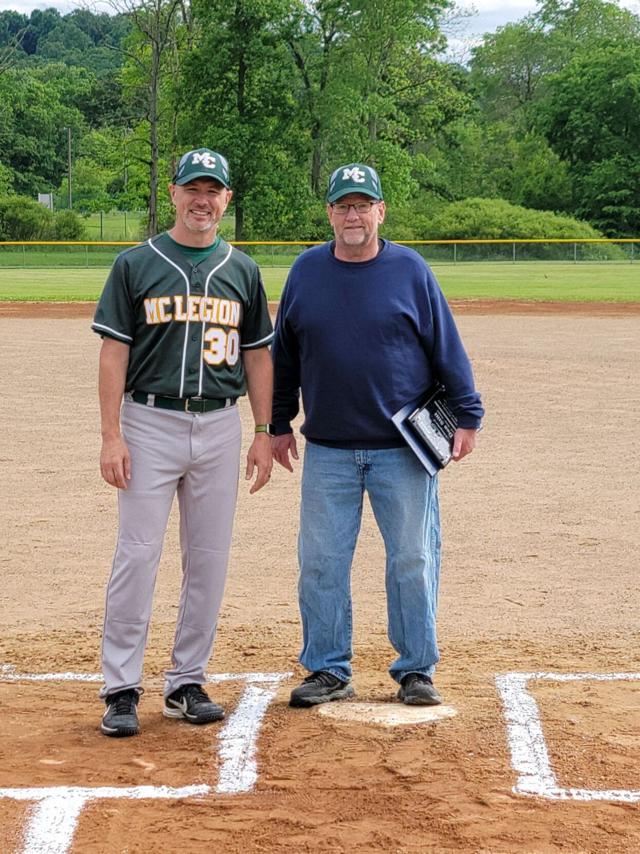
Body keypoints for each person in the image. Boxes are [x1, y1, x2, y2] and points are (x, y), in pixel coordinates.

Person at [271, 163, 483, 708]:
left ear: (381, 212)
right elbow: (285, 356)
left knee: (412, 558)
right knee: (320, 561)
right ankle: (327, 668)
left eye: (363, 205)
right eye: (343, 205)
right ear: (330, 214)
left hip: (402, 451)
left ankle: (415, 668)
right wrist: (276, 425)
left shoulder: (410, 270)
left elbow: (446, 346)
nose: (353, 215)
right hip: (329, 449)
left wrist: (468, 414)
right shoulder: (306, 271)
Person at [92, 148, 274, 737]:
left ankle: (186, 681)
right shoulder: (135, 264)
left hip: (221, 424)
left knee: (210, 560)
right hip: (149, 422)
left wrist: (265, 431)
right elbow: (114, 351)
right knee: (137, 555)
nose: (202, 199)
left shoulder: (242, 270)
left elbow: (257, 355)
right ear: (173, 193)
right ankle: (121, 687)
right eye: (192, 188)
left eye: (213, 190)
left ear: (226, 199)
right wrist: (111, 433)